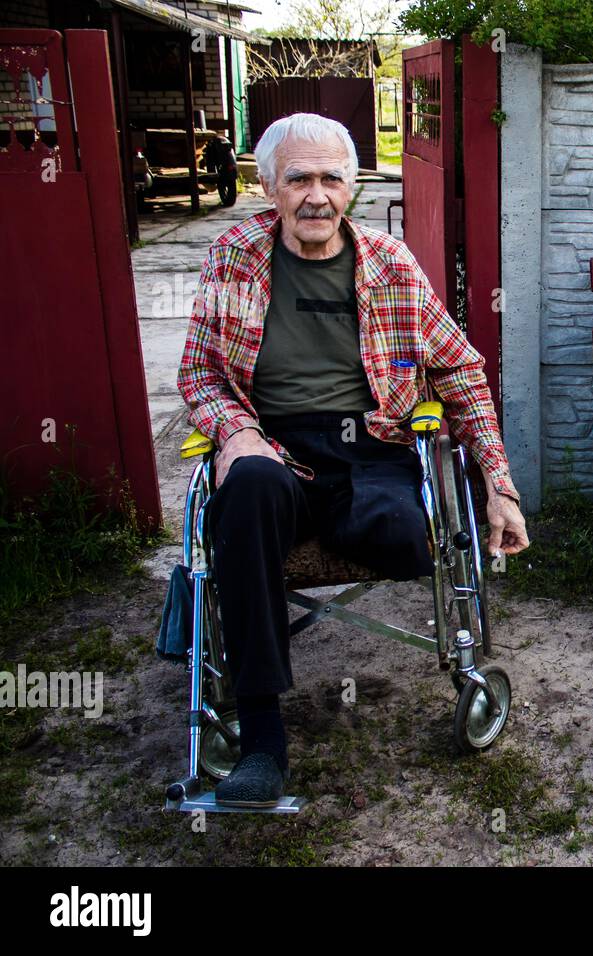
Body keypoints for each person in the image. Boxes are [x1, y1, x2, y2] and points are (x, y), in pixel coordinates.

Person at [177, 113, 529, 806]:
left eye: (331, 178)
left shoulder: (390, 264)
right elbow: (198, 374)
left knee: (403, 540)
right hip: (272, 444)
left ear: (353, 188)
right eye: (298, 179)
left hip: (371, 444)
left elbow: (460, 370)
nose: (316, 196)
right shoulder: (234, 257)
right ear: (268, 187)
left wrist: (499, 484)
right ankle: (262, 740)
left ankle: (286, 544)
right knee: (244, 496)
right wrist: (236, 433)